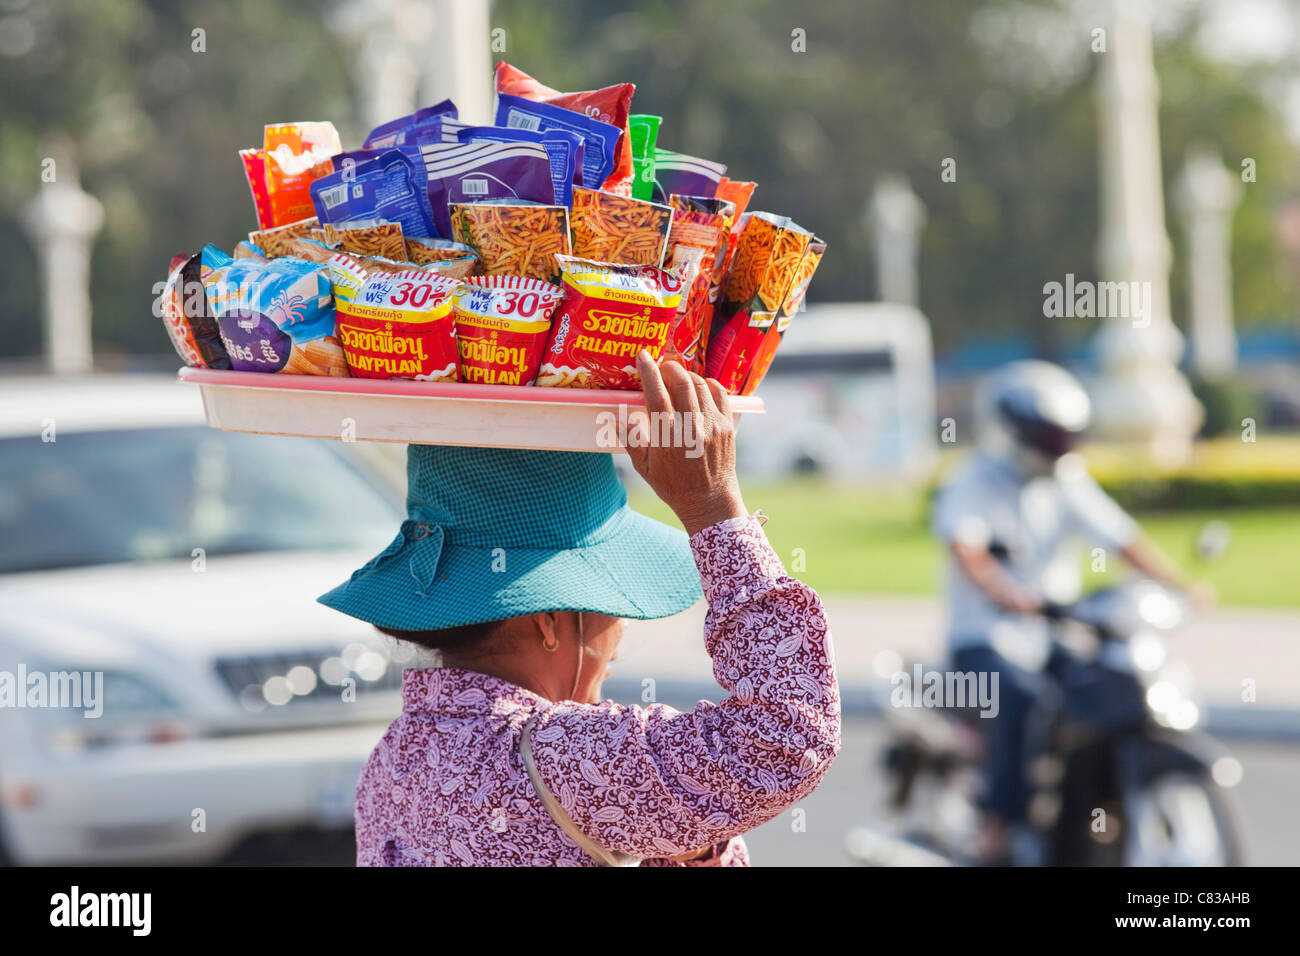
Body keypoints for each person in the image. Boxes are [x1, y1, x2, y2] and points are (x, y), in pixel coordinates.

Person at [319, 351, 841, 866]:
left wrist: (697, 841)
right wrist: (715, 509)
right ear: (548, 621)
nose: (619, 632)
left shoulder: (392, 764)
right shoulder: (568, 757)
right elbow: (790, 734)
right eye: (607, 601)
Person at [931, 360, 1210, 863]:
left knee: (1102, 686)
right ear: (1013, 429)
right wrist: (1004, 590)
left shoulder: (1067, 479)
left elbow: (1121, 539)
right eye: (1049, 436)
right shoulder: (975, 479)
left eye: (1065, 437)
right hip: (985, 639)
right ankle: (1000, 826)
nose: (1058, 447)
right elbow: (966, 548)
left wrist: (1179, 585)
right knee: (1023, 699)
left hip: (1055, 633)